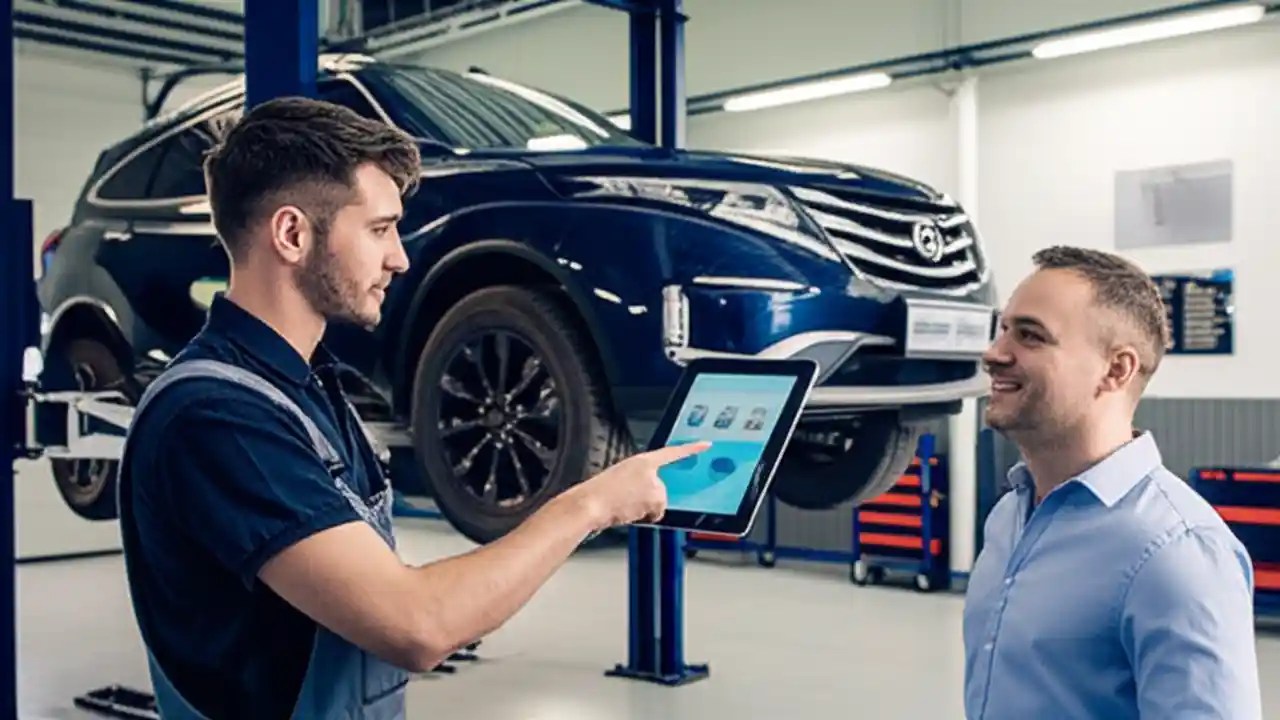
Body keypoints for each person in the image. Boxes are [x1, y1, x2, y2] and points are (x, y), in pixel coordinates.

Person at [116, 96, 710, 719]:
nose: (399, 257)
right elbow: (417, 625)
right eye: (379, 229)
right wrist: (592, 504)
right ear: (292, 234)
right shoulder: (217, 416)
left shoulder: (309, 388)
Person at [963, 245, 1261, 719]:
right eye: (1003, 330)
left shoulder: (1176, 553)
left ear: (1115, 369)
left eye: (1030, 336)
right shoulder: (1008, 518)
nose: (994, 354)